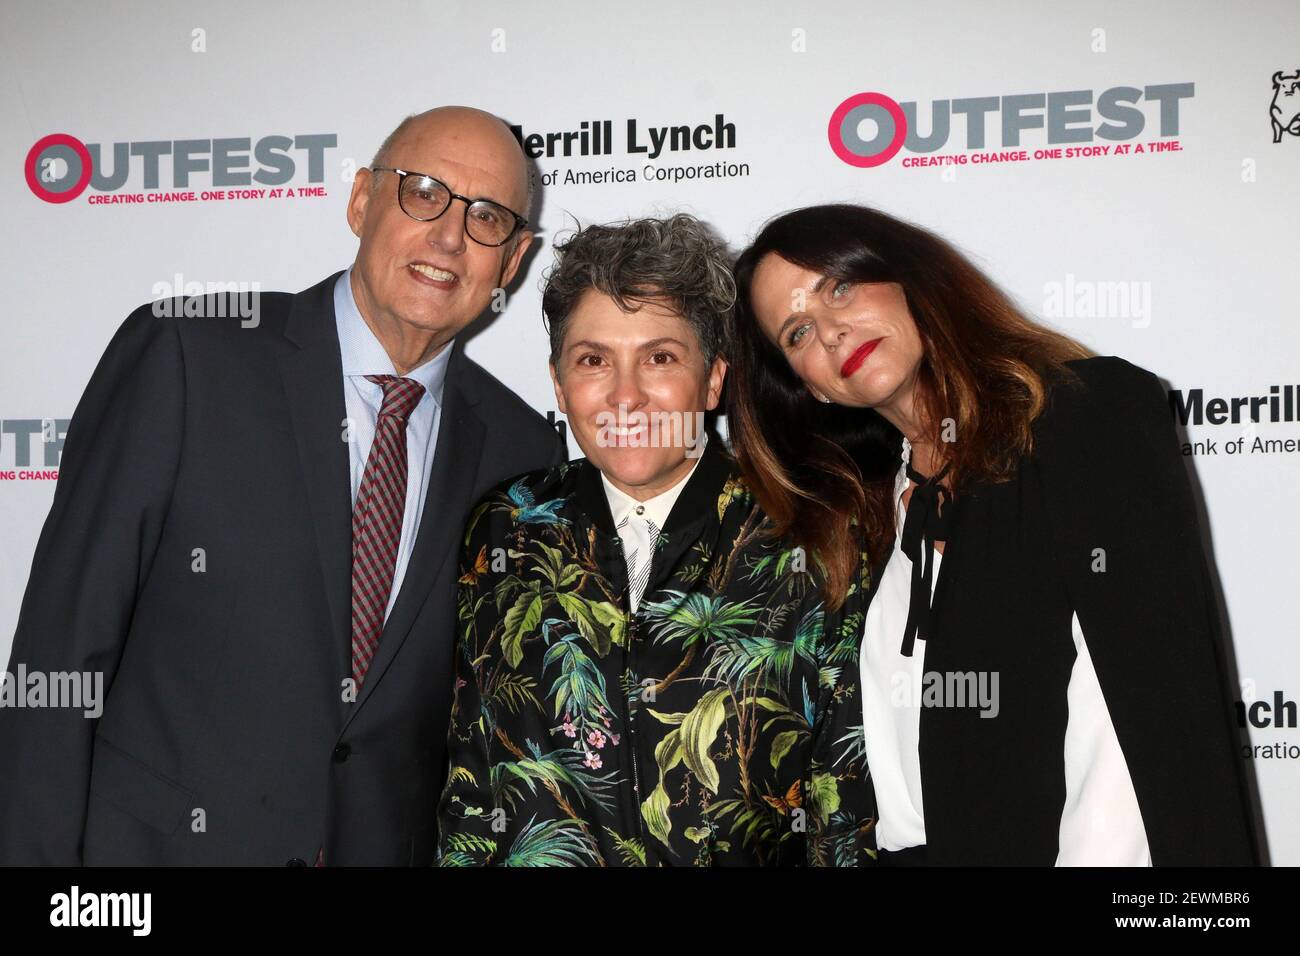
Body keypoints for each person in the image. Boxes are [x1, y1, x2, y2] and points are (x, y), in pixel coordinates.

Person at [0, 106, 564, 865]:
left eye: (488, 217)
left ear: (516, 256)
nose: (449, 236)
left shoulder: (521, 449)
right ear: (361, 199)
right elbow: (59, 655)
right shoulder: (188, 357)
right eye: (423, 192)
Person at [723, 203, 1259, 866]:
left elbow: (1145, 714)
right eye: (798, 332)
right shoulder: (876, 514)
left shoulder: (1084, 415)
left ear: (911, 279)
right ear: (812, 390)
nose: (830, 333)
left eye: (839, 287)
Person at [435, 214, 875, 866]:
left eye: (660, 357)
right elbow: (471, 783)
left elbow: (845, 812)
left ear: (713, 379)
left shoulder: (810, 537)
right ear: (559, 383)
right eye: (593, 361)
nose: (626, 395)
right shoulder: (506, 527)